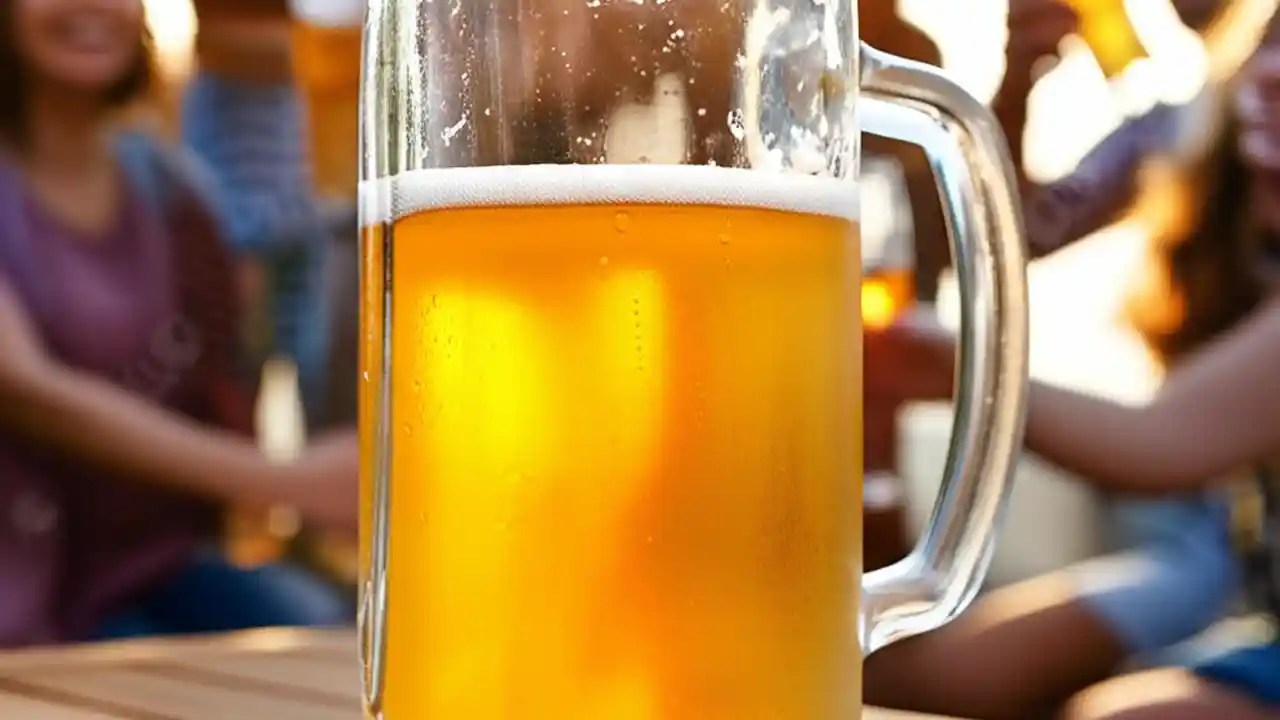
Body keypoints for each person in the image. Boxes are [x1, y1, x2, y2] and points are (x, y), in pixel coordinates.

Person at [864, 34, 1280, 720]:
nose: (1268, 72)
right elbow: (1013, 235)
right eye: (1266, 45)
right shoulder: (1196, 189)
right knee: (910, 678)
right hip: (1229, 566)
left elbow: (1154, 445)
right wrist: (1019, 81)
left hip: (1207, 559)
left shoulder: (1168, 113)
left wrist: (954, 362)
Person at [0, 0, 355, 647]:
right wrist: (293, 482)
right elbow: (26, 390)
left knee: (336, 642)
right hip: (25, 600)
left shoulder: (172, 189)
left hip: (156, 571)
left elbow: (227, 372)